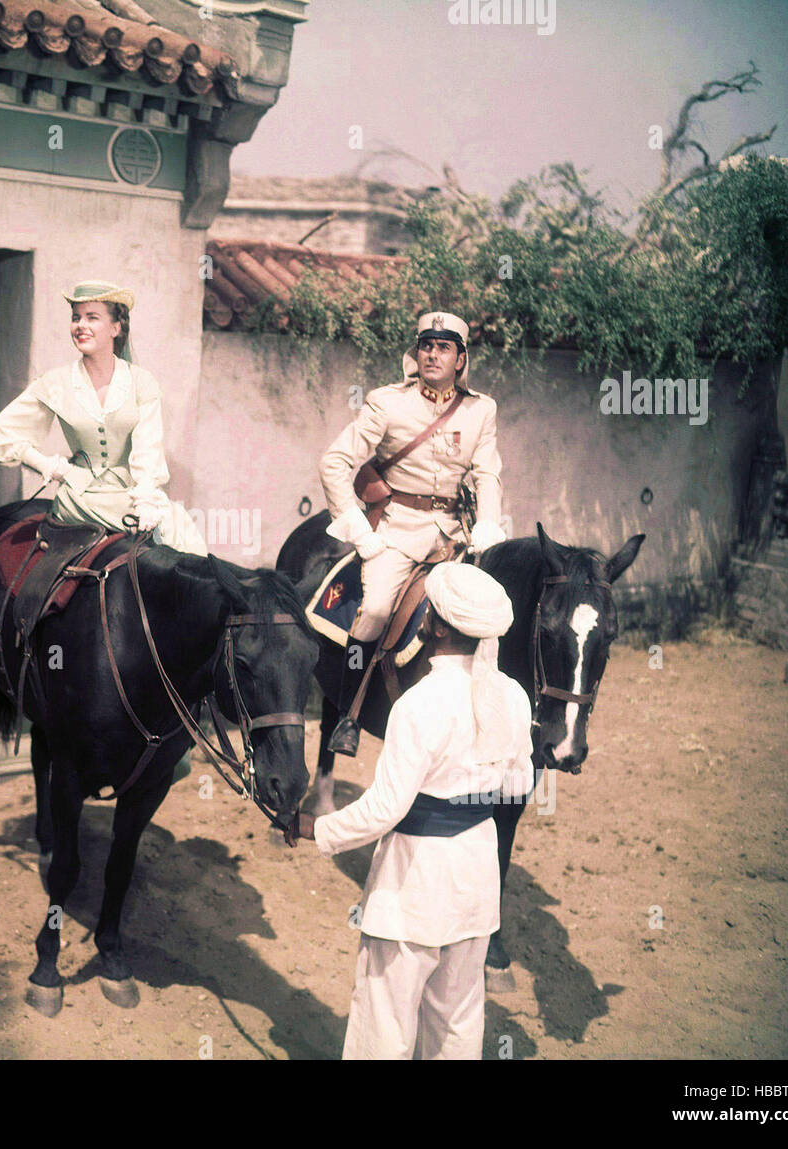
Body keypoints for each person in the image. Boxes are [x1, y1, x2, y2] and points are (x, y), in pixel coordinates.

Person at [290, 562, 533, 1060]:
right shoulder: (512, 695)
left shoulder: (418, 705)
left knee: (385, 1025)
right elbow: (519, 784)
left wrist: (318, 828)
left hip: (412, 893)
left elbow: (385, 809)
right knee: (459, 1023)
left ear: (438, 626)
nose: (421, 614)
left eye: (428, 608)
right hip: (476, 887)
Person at [318, 310, 506, 755]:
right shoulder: (389, 402)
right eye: (426, 345)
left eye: (443, 348)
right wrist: (360, 531)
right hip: (398, 529)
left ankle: (490, 716)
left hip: (455, 535)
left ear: (461, 359)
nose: (432, 354)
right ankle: (351, 711)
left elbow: (487, 474)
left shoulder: (482, 410)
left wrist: (490, 523)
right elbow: (335, 462)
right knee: (378, 609)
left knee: (490, 614)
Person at [0, 280, 207, 555]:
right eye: (76, 318)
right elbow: (2, 435)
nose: (81, 325)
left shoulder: (142, 383)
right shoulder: (55, 382)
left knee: (180, 529)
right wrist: (50, 466)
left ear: (116, 328)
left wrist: (147, 499)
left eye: (92, 318)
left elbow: (148, 449)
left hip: (129, 494)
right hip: (80, 497)